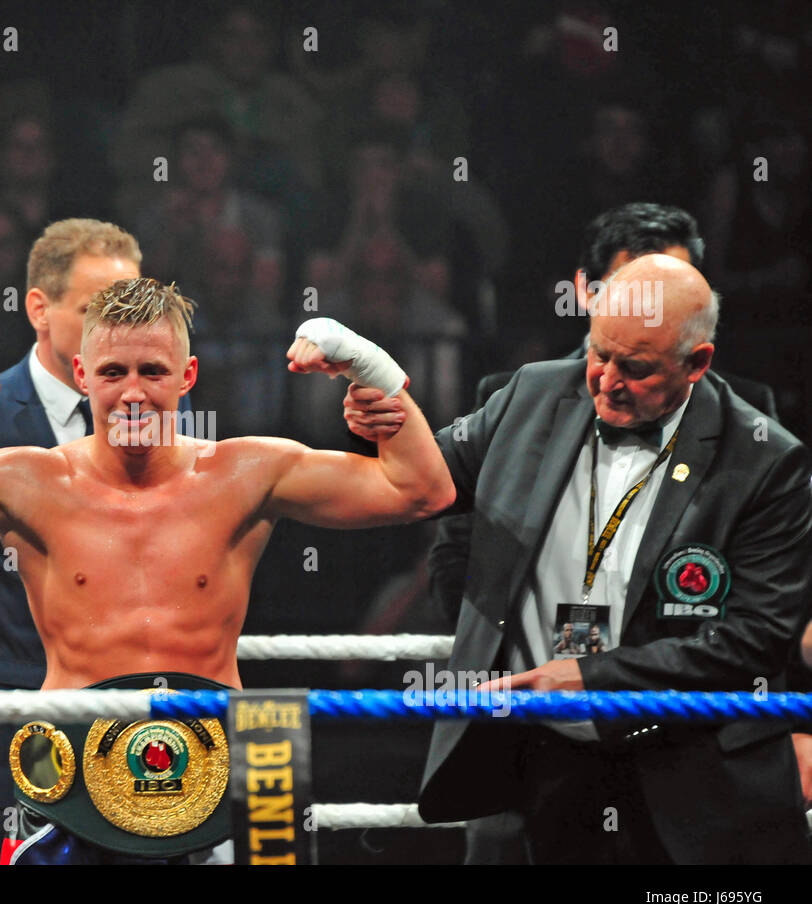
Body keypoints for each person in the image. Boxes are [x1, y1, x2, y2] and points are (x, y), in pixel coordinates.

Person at [0, 277, 454, 862]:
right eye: (113, 371)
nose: (132, 391)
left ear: (187, 375)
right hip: (70, 767)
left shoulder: (246, 473)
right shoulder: (26, 480)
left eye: (153, 371)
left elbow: (422, 491)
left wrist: (371, 369)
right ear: (81, 375)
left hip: (215, 765)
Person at [347, 254, 812, 864]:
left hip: (696, 775)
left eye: (636, 368)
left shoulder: (764, 460)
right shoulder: (531, 394)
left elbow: (757, 638)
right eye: (599, 353)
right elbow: (425, 483)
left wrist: (595, 677)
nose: (607, 380)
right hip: (551, 764)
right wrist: (380, 422)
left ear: (697, 363)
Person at [0, 218, 187, 864]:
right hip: (14, 733)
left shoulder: (155, 413)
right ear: (39, 309)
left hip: (140, 729)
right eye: (97, 307)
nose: (120, 325)